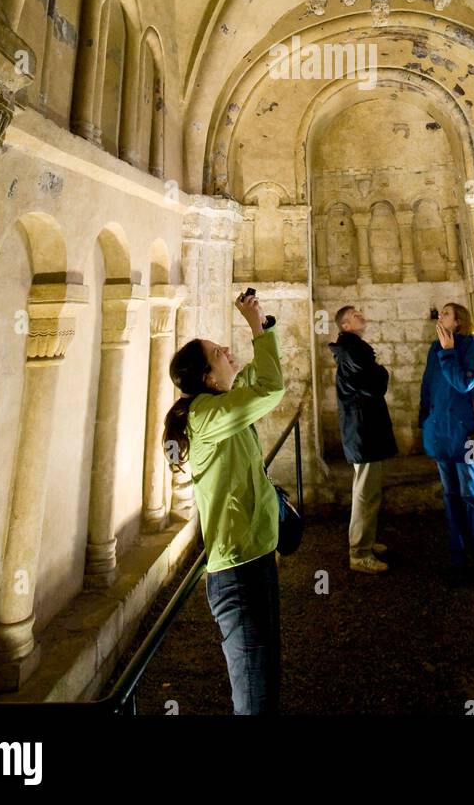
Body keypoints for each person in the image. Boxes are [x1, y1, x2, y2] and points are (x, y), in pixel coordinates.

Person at [163, 291, 285, 715]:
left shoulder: (218, 406)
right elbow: (270, 388)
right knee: (254, 696)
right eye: (217, 352)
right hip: (237, 571)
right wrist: (254, 328)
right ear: (208, 378)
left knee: (264, 681)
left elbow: (255, 382)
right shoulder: (206, 416)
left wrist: (262, 323)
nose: (227, 351)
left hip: (252, 558)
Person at [419, 302, 474, 586]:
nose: (441, 316)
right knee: (451, 496)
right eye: (441, 313)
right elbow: (428, 386)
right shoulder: (433, 349)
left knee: (470, 495)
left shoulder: (472, 350)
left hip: (465, 435)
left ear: (459, 321)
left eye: (447, 313)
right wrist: (424, 421)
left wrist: (449, 353)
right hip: (440, 434)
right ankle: (458, 557)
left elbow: (463, 384)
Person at [329, 304, 397, 574]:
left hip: (363, 429)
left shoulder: (352, 349)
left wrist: (377, 371)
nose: (361, 316)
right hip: (363, 429)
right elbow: (375, 384)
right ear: (345, 325)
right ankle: (359, 553)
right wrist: (382, 371)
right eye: (355, 315)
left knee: (367, 490)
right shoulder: (353, 350)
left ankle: (365, 541)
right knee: (366, 493)